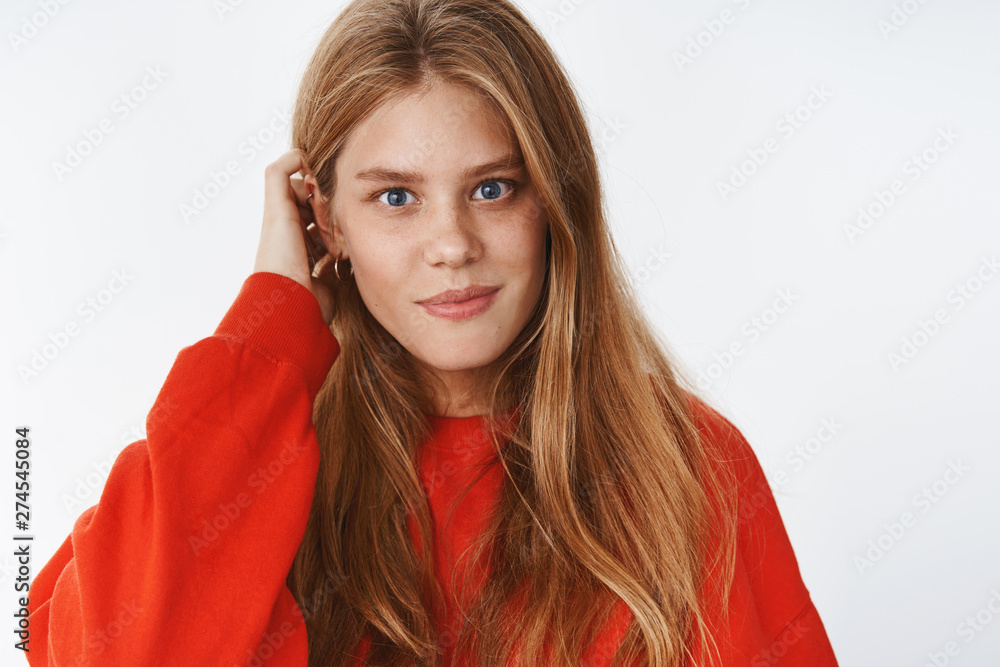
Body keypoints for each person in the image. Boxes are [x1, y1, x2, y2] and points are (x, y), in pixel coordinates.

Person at [26, 0, 839, 665]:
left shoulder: (684, 468)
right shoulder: (248, 468)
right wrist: (272, 313)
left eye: (491, 187)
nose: (452, 244)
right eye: (395, 198)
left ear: (553, 204)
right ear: (323, 220)